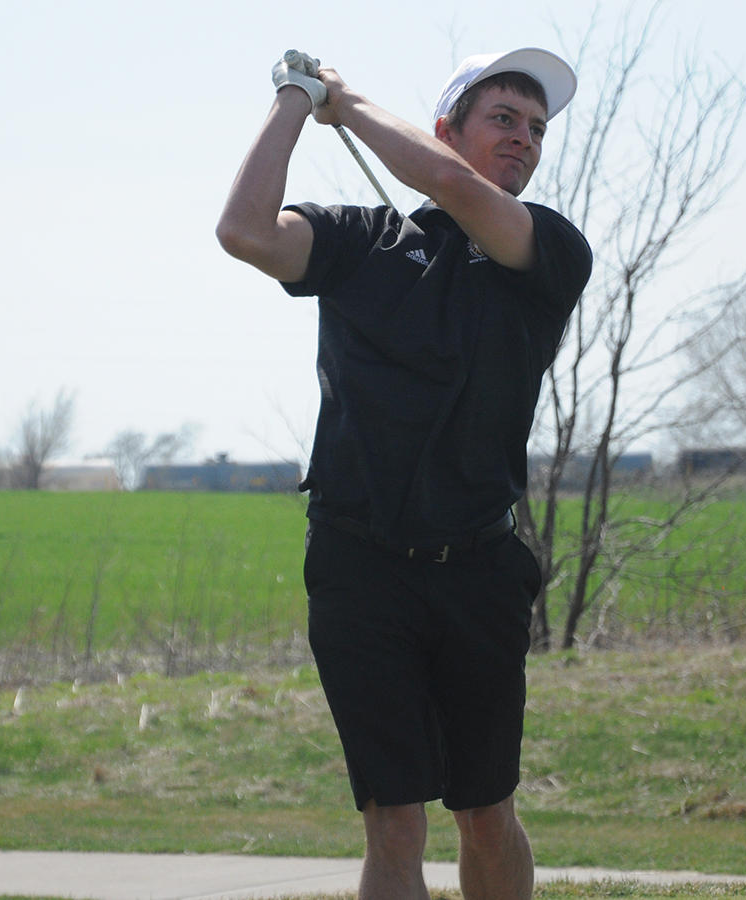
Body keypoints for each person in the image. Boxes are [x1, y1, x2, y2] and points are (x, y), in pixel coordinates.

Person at [216, 48, 592, 900]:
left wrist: (343, 104)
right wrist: (293, 100)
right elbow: (243, 231)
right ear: (445, 130)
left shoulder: (550, 253)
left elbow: (461, 195)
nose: (526, 140)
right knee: (395, 818)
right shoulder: (360, 240)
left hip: (480, 570)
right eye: (504, 118)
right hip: (360, 568)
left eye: (537, 129)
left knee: (486, 810)